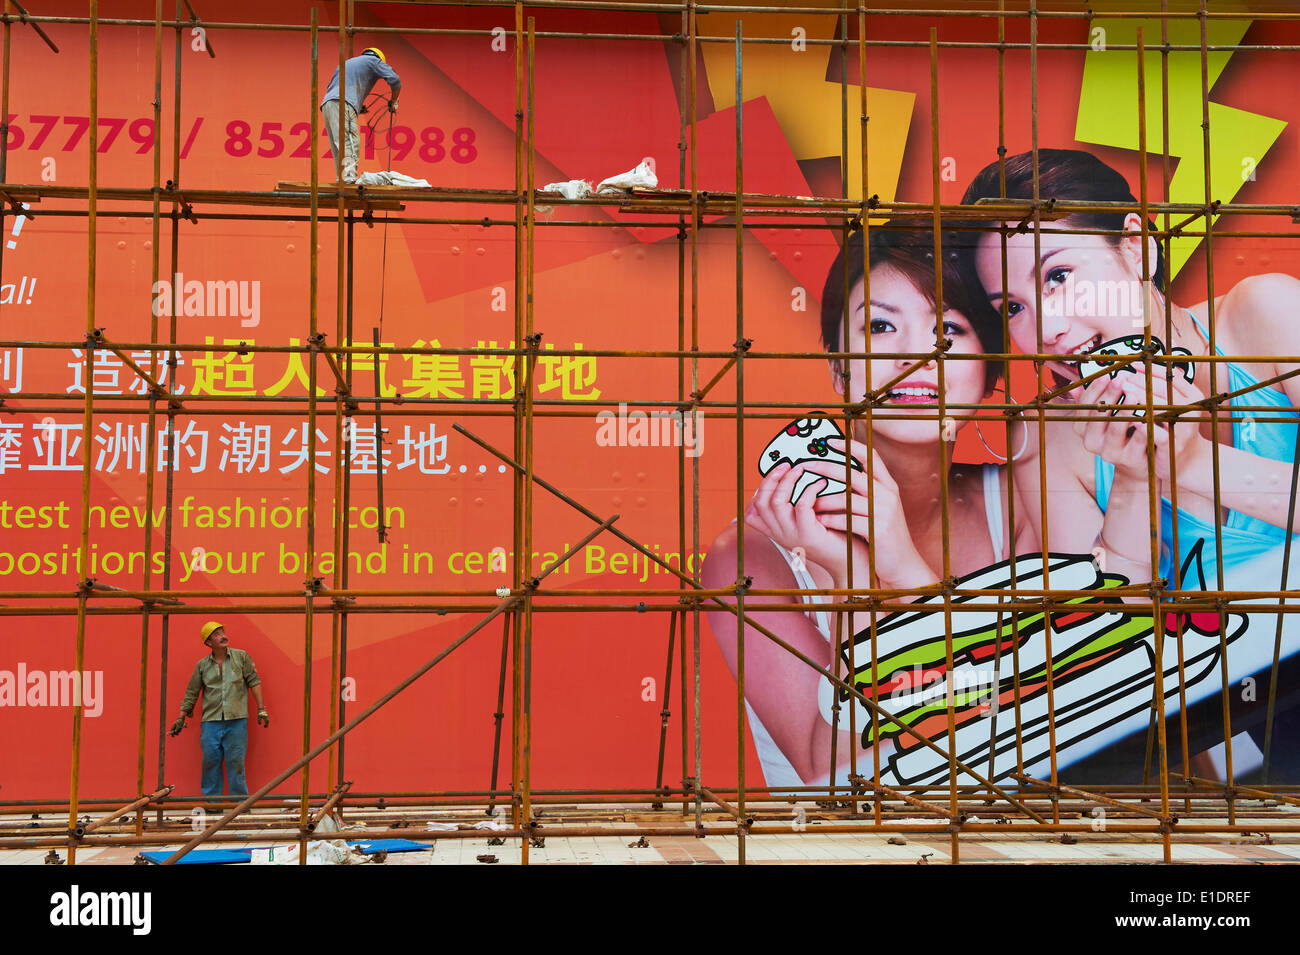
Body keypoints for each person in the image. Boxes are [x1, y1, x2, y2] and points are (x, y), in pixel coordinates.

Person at [961, 147, 1300, 780]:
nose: (1047, 330)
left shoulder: (1263, 316)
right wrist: (1134, 486)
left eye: (1057, 276)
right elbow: (1102, 667)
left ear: (1137, 248)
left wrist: (1192, 459)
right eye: (1011, 308)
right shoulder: (1049, 436)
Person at [701, 223, 1036, 789]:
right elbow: (838, 771)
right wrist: (851, 576)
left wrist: (899, 560)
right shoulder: (751, 557)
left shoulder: (1026, 502)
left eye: (948, 329)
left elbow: (1026, 719)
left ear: (991, 368)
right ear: (838, 367)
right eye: (880, 326)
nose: (915, 357)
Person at [170, 621, 269, 797]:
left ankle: (239, 805)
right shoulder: (202, 666)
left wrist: (262, 709)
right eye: (216, 635)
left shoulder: (241, 657)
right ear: (208, 643)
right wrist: (181, 717)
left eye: (222, 632)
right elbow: (192, 692)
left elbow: (254, 682)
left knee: (236, 763)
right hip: (211, 722)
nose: (223, 636)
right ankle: (213, 806)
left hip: (237, 720)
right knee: (210, 762)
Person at [320, 47, 401, 184]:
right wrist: (393, 101)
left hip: (328, 104)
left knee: (338, 144)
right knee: (350, 142)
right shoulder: (374, 61)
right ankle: (350, 179)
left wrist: (357, 106)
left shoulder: (347, 63)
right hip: (343, 103)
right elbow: (395, 80)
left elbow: (334, 87)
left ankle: (342, 179)